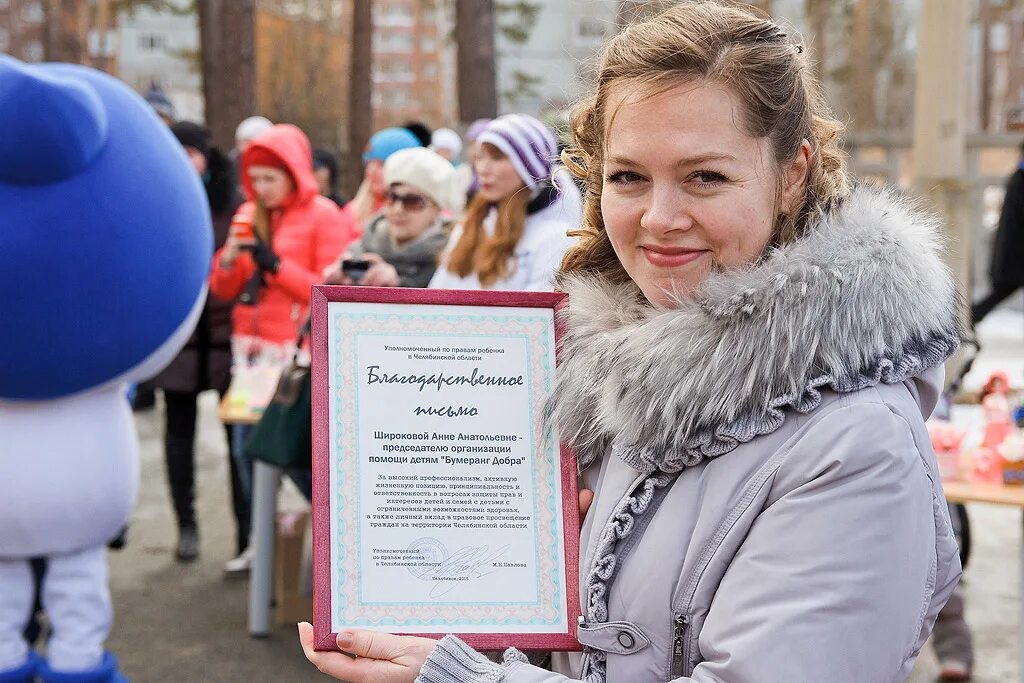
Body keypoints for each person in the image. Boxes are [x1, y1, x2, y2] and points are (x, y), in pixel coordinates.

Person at [299, 4, 961, 682]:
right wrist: (477, 608)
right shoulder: (603, 379)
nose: (660, 218)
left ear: (792, 174)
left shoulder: (858, 442)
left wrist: (464, 678)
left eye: (706, 176)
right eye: (627, 177)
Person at [209, 123, 358, 573]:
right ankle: (262, 544)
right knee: (246, 451)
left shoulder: (323, 215)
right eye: (255, 180)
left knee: (294, 454)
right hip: (251, 357)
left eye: (270, 178)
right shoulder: (250, 216)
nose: (261, 188)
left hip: (299, 358)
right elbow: (222, 288)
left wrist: (275, 263)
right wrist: (232, 257)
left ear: (294, 174)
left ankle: (337, 540)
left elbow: (329, 288)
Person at [148, 121, 243, 563]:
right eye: (179, 150)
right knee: (178, 436)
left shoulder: (234, 205)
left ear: (209, 156)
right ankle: (186, 526)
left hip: (228, 339)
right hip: (180, 338)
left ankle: (247, 532)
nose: (187, 160)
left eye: (194, 151)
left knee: (238, 441)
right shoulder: (161, 198)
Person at [427, 114, 580, 291]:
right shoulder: (471, 225)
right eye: (479, 157)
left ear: (529, 167)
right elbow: (437, 296)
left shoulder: (557, 238)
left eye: (497, 158)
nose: (483, 168)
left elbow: (539, 315)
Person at [325, 147, 454, 289]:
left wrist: (398, 287)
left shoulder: (449, 262)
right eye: (392, 198)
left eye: (412, 201)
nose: (398, 209)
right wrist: (331, 290)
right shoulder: (359, 251)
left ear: (437, 210)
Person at [973, 139, 1024, 323]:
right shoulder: (1020, 180)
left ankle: (970, 317)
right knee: (998, 294)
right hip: (1015, 256)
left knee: (998, 295)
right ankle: (969, 318)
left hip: (1013, 257)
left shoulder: (1017, 177)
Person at [342, 127, 422, 232]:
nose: (371, 172)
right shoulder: (352, 212)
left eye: (382, 164)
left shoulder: (425, 216)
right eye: (369, 163)